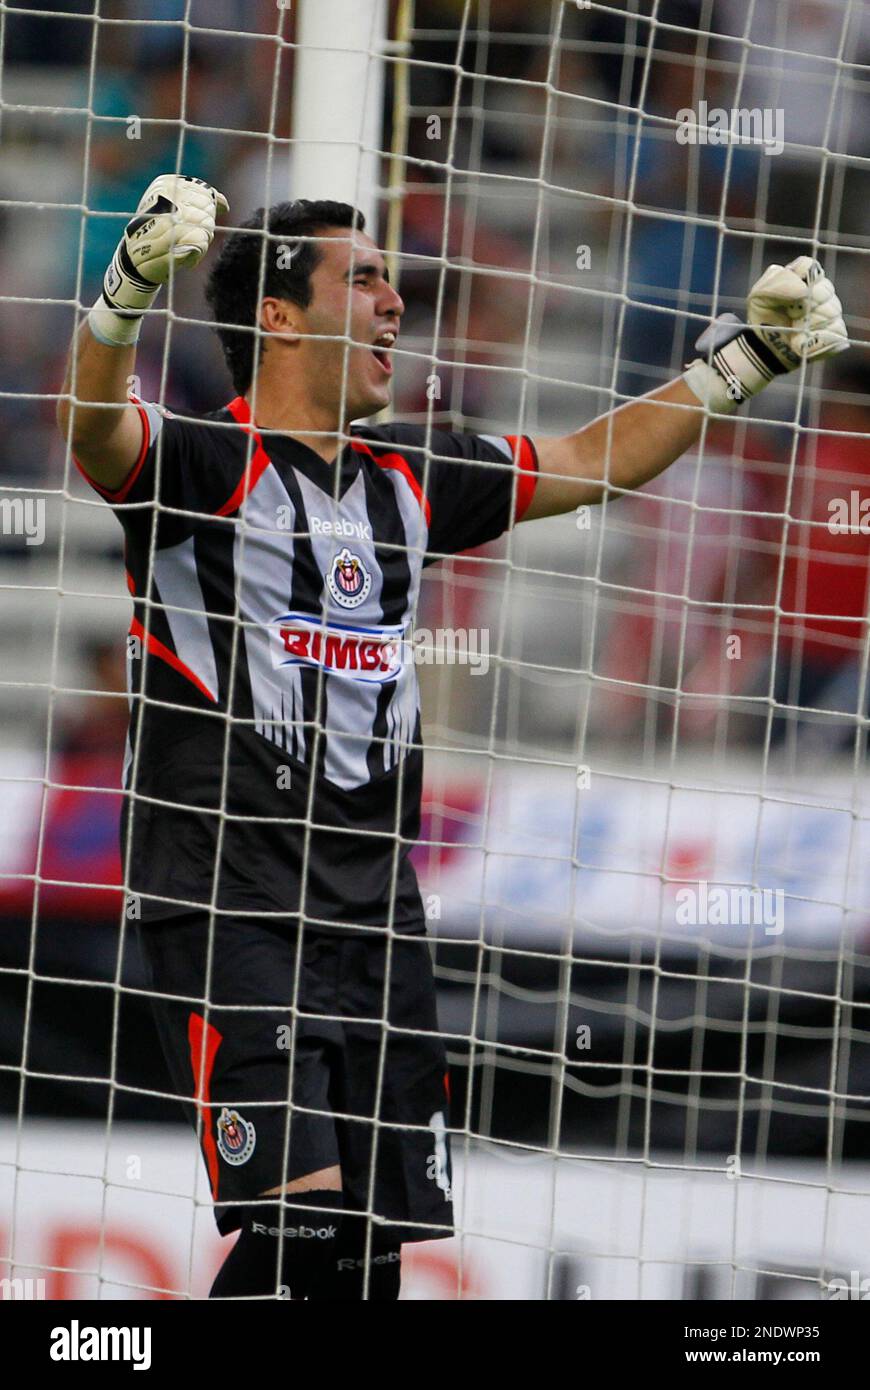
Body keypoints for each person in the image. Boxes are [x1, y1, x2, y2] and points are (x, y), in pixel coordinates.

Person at [56, 173, 848, 1299]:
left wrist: (744, 363)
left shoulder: (411, 481)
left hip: (377, 916)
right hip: (233, 905)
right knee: (311, 1242)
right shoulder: (201, 467)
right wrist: (125, 292)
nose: (396, 302)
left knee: (369, 1259)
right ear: (277, 316)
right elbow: (92, 424)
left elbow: (591, 462)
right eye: (365, 278)